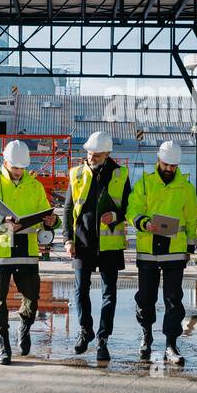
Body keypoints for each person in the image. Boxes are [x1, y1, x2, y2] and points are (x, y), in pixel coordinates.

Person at [0, 139, 59, 365]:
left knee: (32, 297)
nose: (19, 171)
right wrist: (0, 221)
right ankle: (4, 346)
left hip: (27, 249)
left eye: (22, 167)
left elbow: (44, 215)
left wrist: (52, 221)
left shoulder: (35, 186)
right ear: (5, 162)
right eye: (15, 167)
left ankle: (25, 327)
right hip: (1, 250)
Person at [126, 140, 197, 364]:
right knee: (146, 298)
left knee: (174, 300)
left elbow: (191, 219)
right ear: (158, 160)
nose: (169, 169)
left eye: (173, 166)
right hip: (148, 250)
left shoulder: (186, 188)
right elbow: (132, 210)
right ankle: (146, 336)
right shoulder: (145, 184)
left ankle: (171, 345)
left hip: (174, 252)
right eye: (166, 165)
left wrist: (189, 247)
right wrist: (144, 222)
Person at [62, 131, 130, 361]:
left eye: (97, 155)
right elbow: (68, 208)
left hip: (109, 244)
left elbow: (130, 207)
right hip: (82, 242)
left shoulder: (121, 174)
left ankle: (103, 338)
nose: (92, 157)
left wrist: (116, 214)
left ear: (108, 154)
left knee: (108, 294)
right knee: (80, 290)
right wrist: (67, 239)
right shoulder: (77, 173)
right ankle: (85, 330)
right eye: (89, 153)